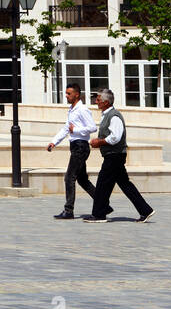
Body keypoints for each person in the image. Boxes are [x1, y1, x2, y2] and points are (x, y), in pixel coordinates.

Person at [82, 88, 154, 223]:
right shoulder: (107, 114)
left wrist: (100, 142)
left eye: (98, 99)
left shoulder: (114, 116)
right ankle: (146, 210)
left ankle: (98, 214)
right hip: (113, 155)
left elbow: (115, 137)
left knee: (103, 183)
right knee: (124, 184)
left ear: (106, 102)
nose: (95, 102)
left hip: (114, 155)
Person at [47, 83, 97, 219]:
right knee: (82, 180)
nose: (66, 96)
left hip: (81, 146)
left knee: (69, 178)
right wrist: (54, 142)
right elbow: (66, 129)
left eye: (69, 94)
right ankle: (103, 203)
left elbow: (93, 127)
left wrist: (76, 130)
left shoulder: (82, 109)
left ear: (77, 94)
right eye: (66, 93)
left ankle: (68, 210)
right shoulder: (71, 109)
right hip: (75, 146)